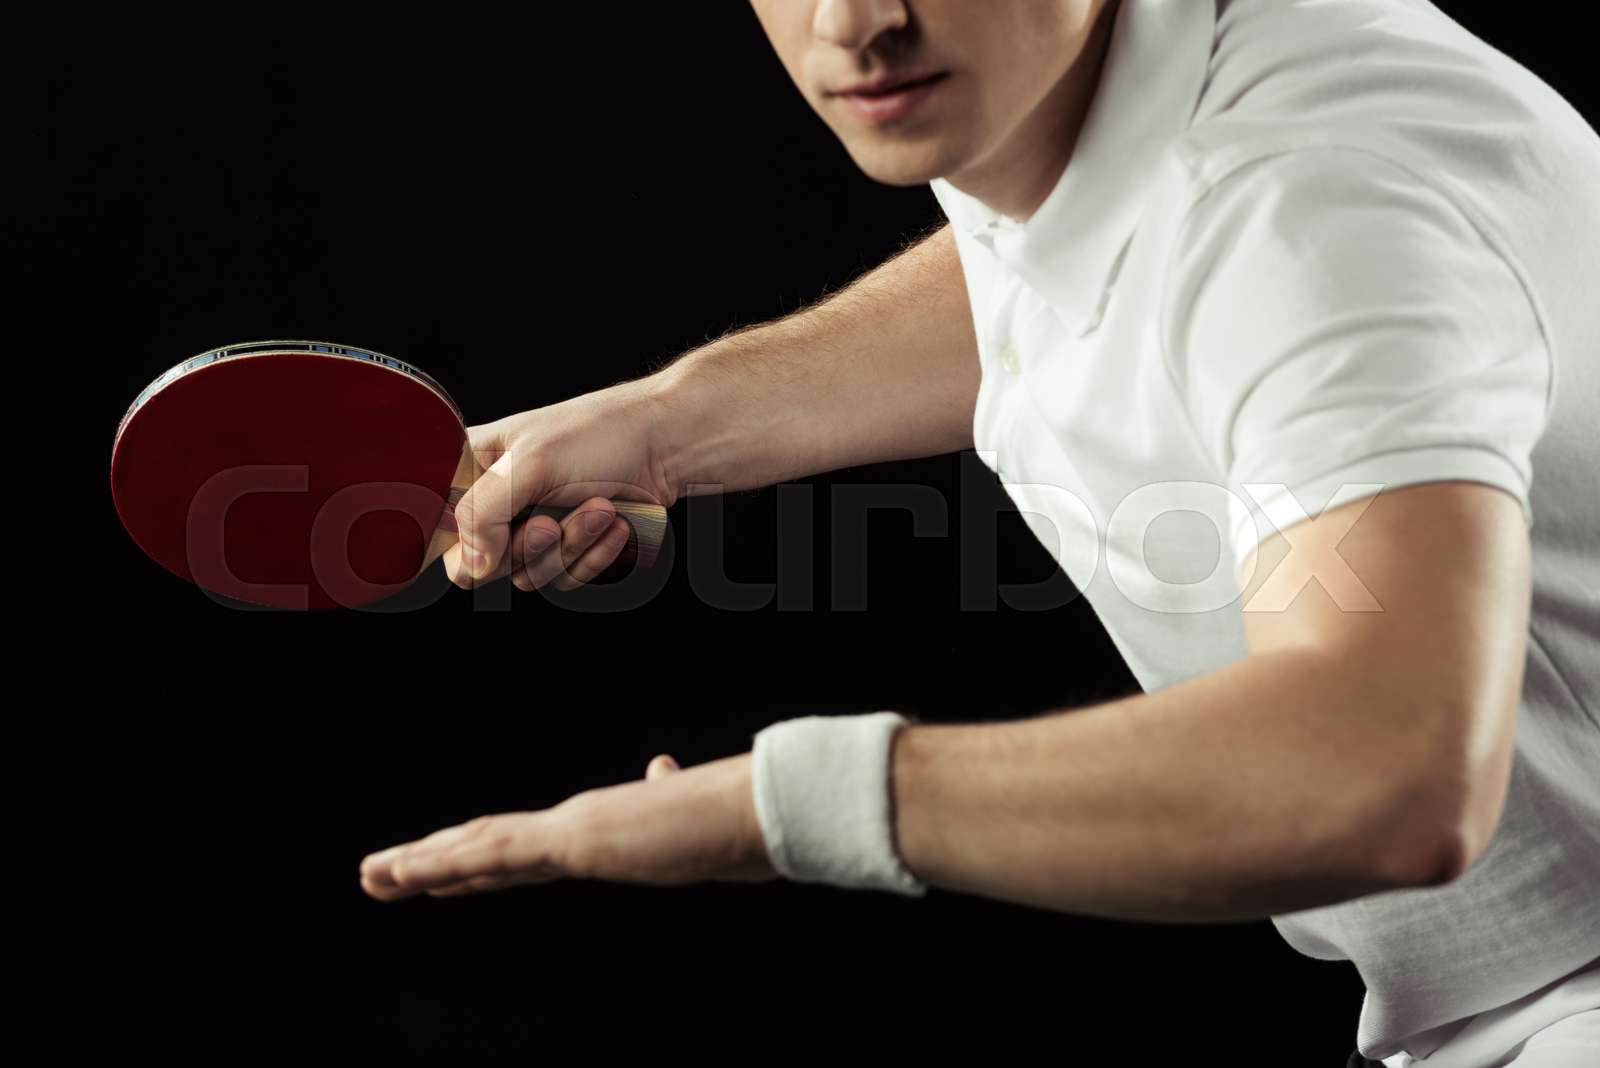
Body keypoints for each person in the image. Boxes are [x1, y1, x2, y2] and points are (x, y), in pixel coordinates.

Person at [357, 2, 1600, 1064]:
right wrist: (667, 428)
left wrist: (785, 807)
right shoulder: (1131, 84)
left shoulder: (1305, 208)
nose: (852, 24)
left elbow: (1384, 770)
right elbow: (1091, 252)